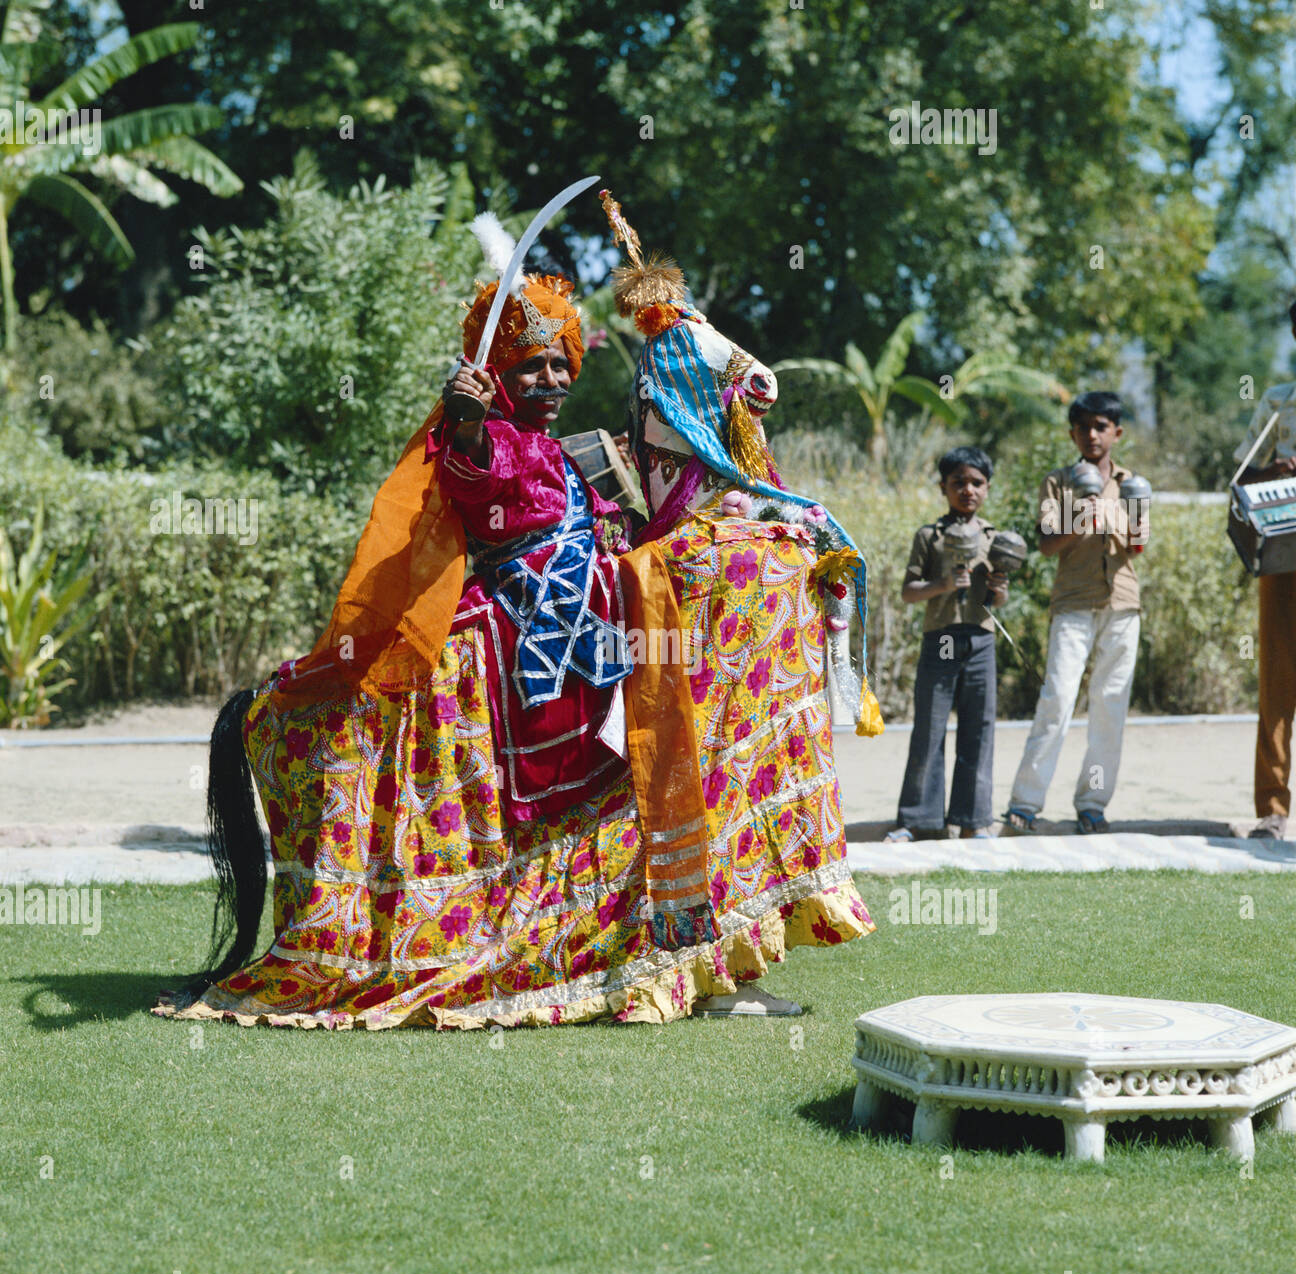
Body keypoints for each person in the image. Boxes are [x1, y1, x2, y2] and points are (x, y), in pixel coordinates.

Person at [155, 212, 873, 1031]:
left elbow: (621, 521)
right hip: (543, 612)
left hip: (583, 591)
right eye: (530, 369)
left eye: (561, 367)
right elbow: (475, 476)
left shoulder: (569, 453)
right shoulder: (492, 439)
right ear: (495, 376)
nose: (551, 382)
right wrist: (465, 419)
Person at [1004, 391, 1147, 834]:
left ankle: (1092, 805)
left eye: (1101, 426)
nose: (1092, 434)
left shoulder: (1132, 484)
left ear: (1116, 433)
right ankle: (1024, 805)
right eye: (1083, 427)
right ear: (1072, 433)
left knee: (1110, 707)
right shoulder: (1059, 481)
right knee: (1058, 700)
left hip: (1123, 604)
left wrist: (1113, 517)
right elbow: (1047, 545)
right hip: (1072, 603)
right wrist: (1081, 519)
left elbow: (1138, 544)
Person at [886, 446, 1008, 842]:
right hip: (941, 639)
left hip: (980, 639)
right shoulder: (929, 536)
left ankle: (973, 821)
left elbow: (997, 599)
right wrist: (941, 586)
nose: (967, 490)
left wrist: (999, 592)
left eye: (977, 483)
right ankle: (919, 820)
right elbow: (908, 591)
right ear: (943, 487)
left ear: (987, 488)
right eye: (958, 482)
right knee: (930, 727)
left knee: (980, 728)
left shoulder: (995, 540)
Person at [1232, 309, 1296, 840]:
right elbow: (1239, 475)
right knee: (1277, 680)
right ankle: (1272, 809)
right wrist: (1272, 471)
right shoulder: (1277, 400)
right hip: (1282, 553)